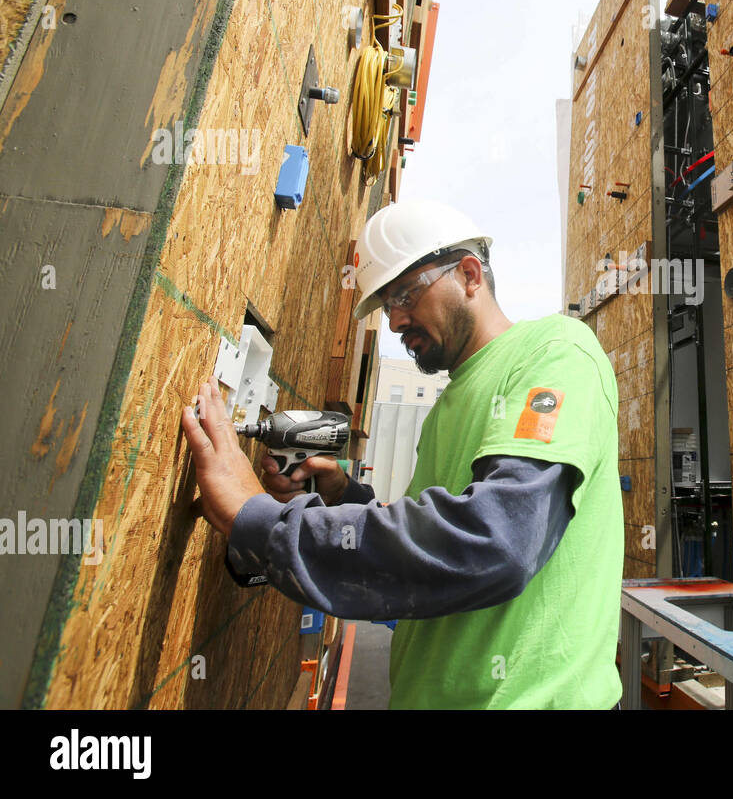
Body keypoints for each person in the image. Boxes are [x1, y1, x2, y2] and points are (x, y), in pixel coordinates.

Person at [181, 200, 623, 709]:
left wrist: (258, 520)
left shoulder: (556, 352)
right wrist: (342, 497)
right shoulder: (445, 409)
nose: (395, 321)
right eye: (387, 305)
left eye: (406, 295)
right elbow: (426, 555)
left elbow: (496, 540)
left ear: (470, 275)